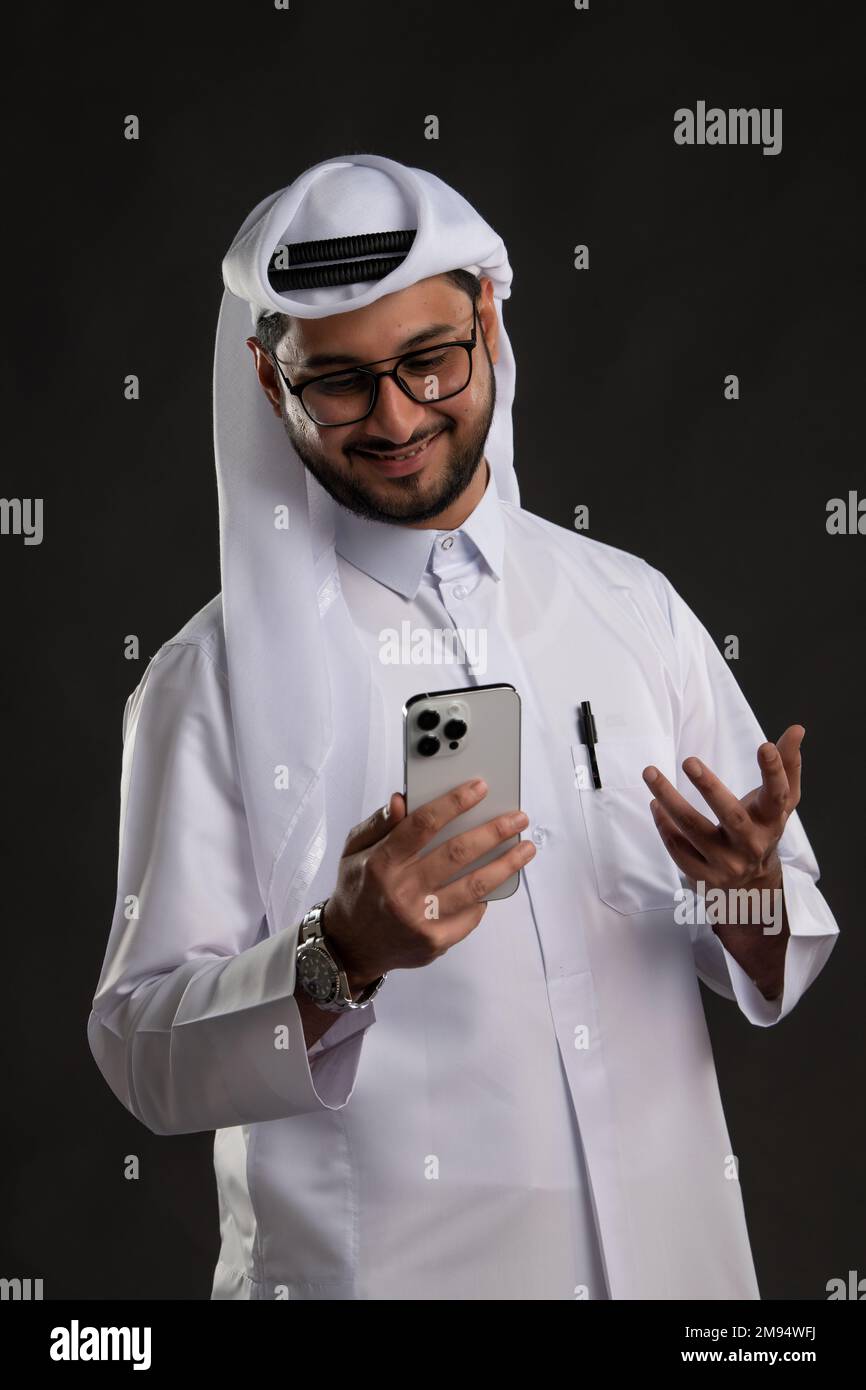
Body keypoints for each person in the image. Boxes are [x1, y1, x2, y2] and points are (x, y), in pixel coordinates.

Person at [87, 154, 840, 1300]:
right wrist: (333, 959)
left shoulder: (630, 607)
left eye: (427, 360)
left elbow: (764, 943)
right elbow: (142, 1049)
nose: (392, 417)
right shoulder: (207, 683)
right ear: (265, 374)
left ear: (486, 319)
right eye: (335, 382)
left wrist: (744, 892)